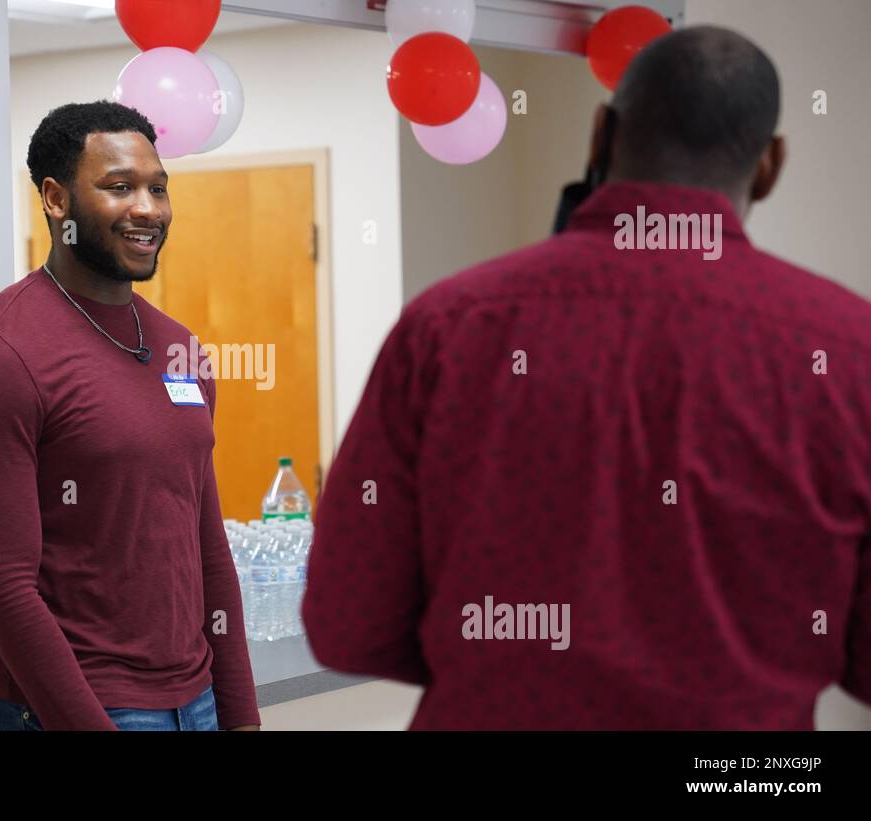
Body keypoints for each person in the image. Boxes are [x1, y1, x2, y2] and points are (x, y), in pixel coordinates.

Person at [303, 26, 871, 729]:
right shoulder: (850, 352)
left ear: (601, 135)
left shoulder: (446, 327)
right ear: (770, 166)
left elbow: (346, 621)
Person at [0, 101, 260, 731]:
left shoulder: (180, 349)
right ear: (56, 200)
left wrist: (240, 712)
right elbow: (2, 589)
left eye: (157, 187)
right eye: (119, 187)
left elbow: (206, 545)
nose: (148, 208)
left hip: (196, 701)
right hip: (65, 706)